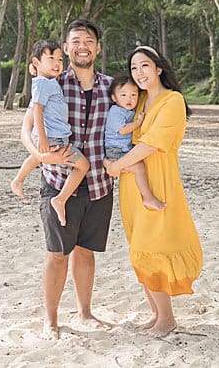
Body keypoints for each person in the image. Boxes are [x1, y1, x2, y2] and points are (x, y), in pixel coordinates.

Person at [18, 19, 116, 339]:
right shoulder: (54, 81)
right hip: (58, 180)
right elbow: (26, 128)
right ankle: (51, 320)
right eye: (75, 41)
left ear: (98, 48)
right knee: (57, 254)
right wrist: (40, 153)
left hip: (99, 183)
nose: (82, 46)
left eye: (88, 40)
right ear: (66, 47)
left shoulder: (111, 88)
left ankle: (85, 313)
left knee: (86, 252)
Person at [106, 45, 203, 338]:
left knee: (154, 247)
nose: (139, 73)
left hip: (158, 180)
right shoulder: (140, 100)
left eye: (144, 66)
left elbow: (151, 143)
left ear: (159, 68)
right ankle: (157, 315)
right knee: (139, 247)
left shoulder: (172, 101)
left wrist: (116, 166)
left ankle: (167, 320)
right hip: (132, 184)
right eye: (134, 68)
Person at [11, 40, 91, 226]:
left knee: (37, 158)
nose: (57, 63)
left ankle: (18, 180)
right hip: (54, 138)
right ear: (37, 62)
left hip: (55, 136)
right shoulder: (43, 84)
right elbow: (37, 110)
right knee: (83, 166)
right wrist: (43, 138)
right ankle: (60, 199)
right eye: (51, 58)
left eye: (60, 59)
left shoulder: (48, 82)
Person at [103, 77, 165, 211]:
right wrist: (138, 122)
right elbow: (123, 129)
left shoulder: (128, 110)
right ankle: (148, 197)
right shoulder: (116, 112)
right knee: (139, 168)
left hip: (123, 149)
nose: (129, 99)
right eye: (123, 95)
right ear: (114, 98)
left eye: (133, 95)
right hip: (117, 151)